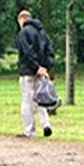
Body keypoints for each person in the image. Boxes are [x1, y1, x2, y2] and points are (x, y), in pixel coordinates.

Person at [13, 9, 54, 139]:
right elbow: (50, 50)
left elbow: (27, 52)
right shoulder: (42, 32)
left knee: (26, 100)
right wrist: (45, 67)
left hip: (28, 71)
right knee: (40, 99)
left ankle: (29, 130)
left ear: (21, 20)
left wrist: (35, 67)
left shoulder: (23, 33)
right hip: (41, 71)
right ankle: (46, 124)